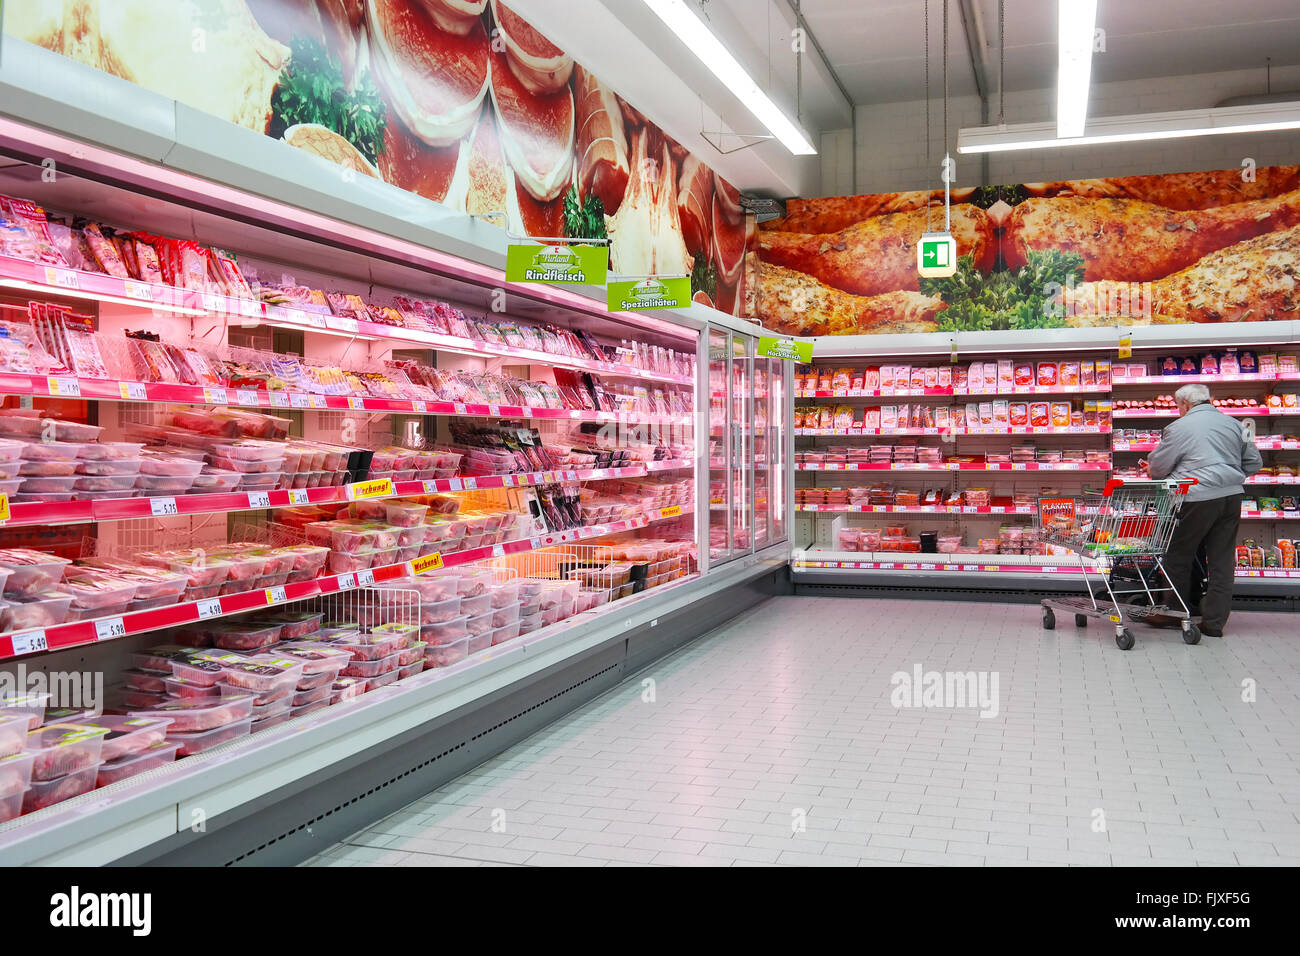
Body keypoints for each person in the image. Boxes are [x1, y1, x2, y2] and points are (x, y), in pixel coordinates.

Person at [1142, 383, 1263, 636]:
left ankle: (1174, 613)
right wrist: (1229, 476)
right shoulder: (1236, 424)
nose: (1178, 411)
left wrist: (1155, 471)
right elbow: (1254, 462)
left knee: (1178, 554)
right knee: (1221, 560)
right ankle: (1214, 623)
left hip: (1196, 497)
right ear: (1210, 400)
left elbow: (1159, 467)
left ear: (1185, 404)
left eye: (1178, 406)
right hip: (1231, 497)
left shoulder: (1178, 427)